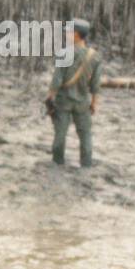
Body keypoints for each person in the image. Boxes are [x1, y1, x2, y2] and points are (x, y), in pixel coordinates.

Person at [45, 18, 102, 167]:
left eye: (69, 32)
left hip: (63, 101)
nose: (66, 34)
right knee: (85, 135)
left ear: (76, 34)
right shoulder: (95, 56)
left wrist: (49, 99)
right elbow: (96, 85)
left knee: (60, 134)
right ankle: (86, 164)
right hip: (82, 102)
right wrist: (94, 103)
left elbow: (56, 81)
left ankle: (57, 163)